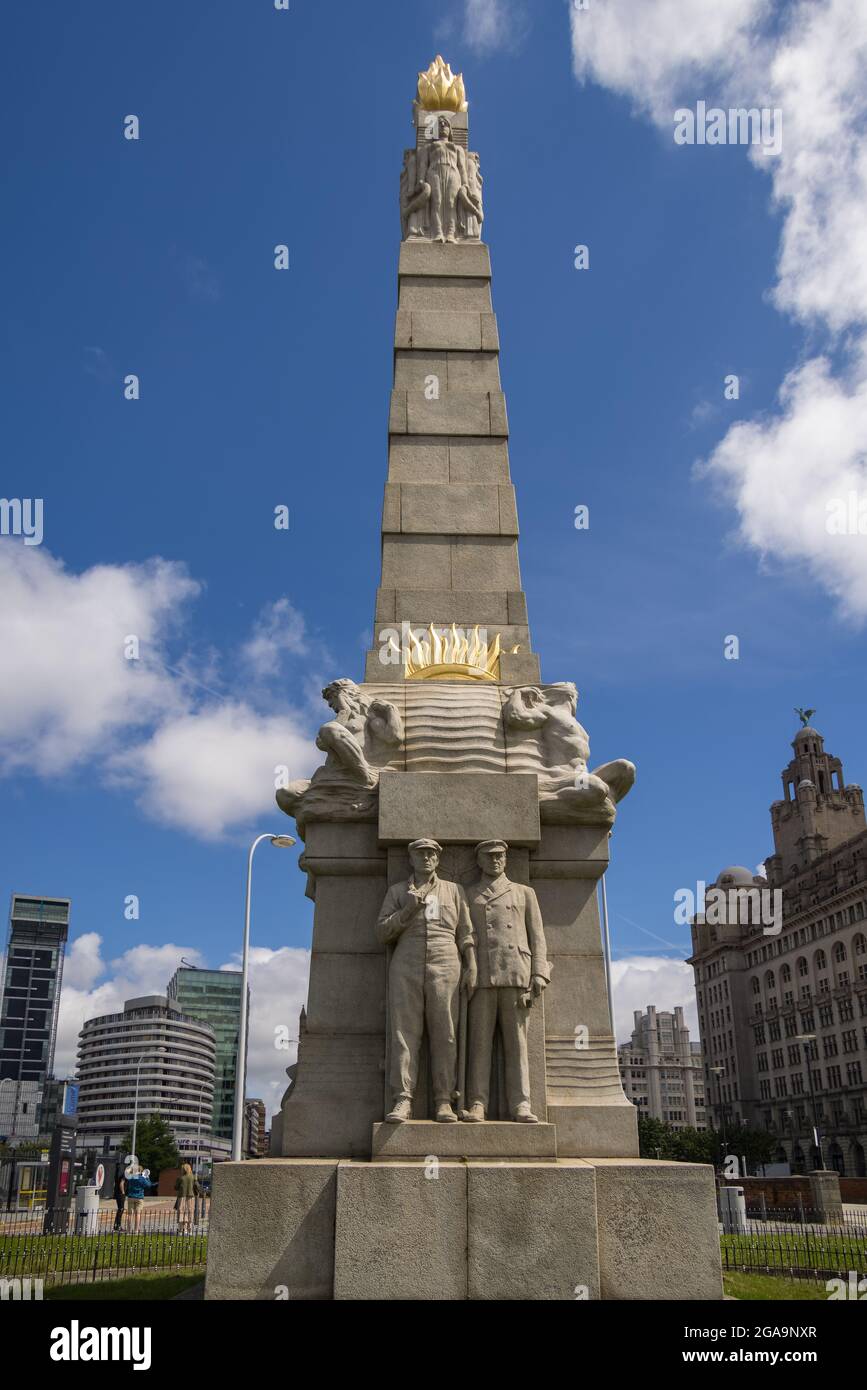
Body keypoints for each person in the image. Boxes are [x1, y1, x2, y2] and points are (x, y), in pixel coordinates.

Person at [376, 838, 476, 1122]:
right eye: (420, 853)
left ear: (438, 858)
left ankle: (444, 1100)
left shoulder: (454, 891)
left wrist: (472, 965)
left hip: (446, 960)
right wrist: (407, 909)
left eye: (431, 853)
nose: (427, 857)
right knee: (404, 1033)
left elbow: (466, 933)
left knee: (446, 1032)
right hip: (406, 958)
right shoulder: (397, 891)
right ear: (411, 858)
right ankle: (403, 1099)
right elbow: (382, 933)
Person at [463, 840, 550, 1123]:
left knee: (517, 1046)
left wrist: (539, 973)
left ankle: (521, 1104)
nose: (495, 860)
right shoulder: (468, 894)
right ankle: (477, 1103)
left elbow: (537, 936)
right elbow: (463, 935)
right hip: (482, 977)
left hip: (516, 973)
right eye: (489, 856)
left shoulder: (525, 893)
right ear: (479, 861)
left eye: (500, 855)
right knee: (479, 1046)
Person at [124, 1164, 156, 1232]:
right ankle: (136, 1230)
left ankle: (128, 1230)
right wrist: (147, 1177)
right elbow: (149, 1185)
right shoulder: (141, 1178)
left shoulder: (130, 1177)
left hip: (131, 1197)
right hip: (139, 1197)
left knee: (130, 1214)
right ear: (140, 1171)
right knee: (137, 1214)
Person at [174, 1163, 200, 1233]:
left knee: (181, 1212)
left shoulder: (180, 1178)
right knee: (190, 1211)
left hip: (182, 1196)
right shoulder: (193, 1177)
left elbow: (176, 1187)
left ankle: (182, 1229)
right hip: (191, 1197)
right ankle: (189, 1229)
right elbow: (197, 1186)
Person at [112, 1166, 126, 1231]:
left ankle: (116, 1225)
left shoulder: (122, 1174)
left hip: (118, 1193)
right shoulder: (125, 1174)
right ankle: (118, 1225)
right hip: (120, 1194)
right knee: (121, 1209)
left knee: (120, 1209)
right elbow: (121, 1183)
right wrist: (123, 1192)